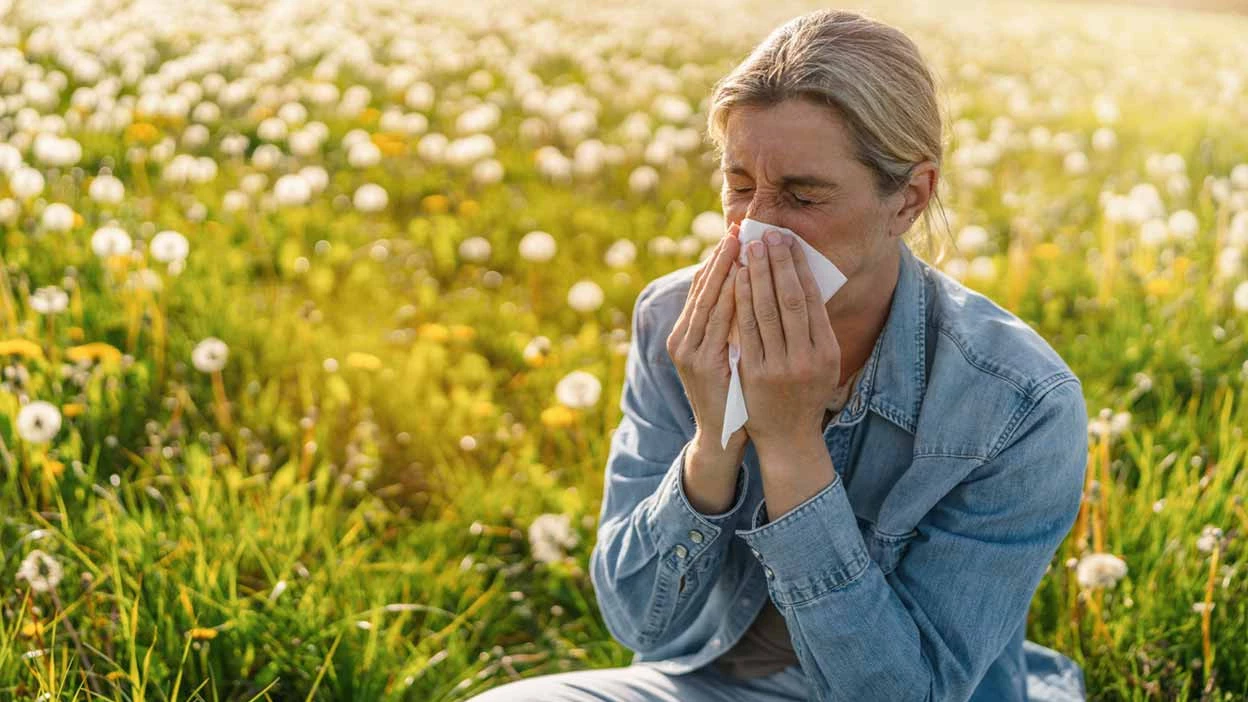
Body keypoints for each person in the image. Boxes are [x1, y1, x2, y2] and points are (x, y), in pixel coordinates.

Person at [468, 8, 1088, 702]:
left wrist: (792, 445)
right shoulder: (677, 322)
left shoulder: (1018, 403)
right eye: (739, 185)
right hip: (710, 681)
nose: (755, 224)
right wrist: (713, 444)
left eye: (802, 195)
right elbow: (640, 622)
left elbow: (905, 693)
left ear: (909, 199)